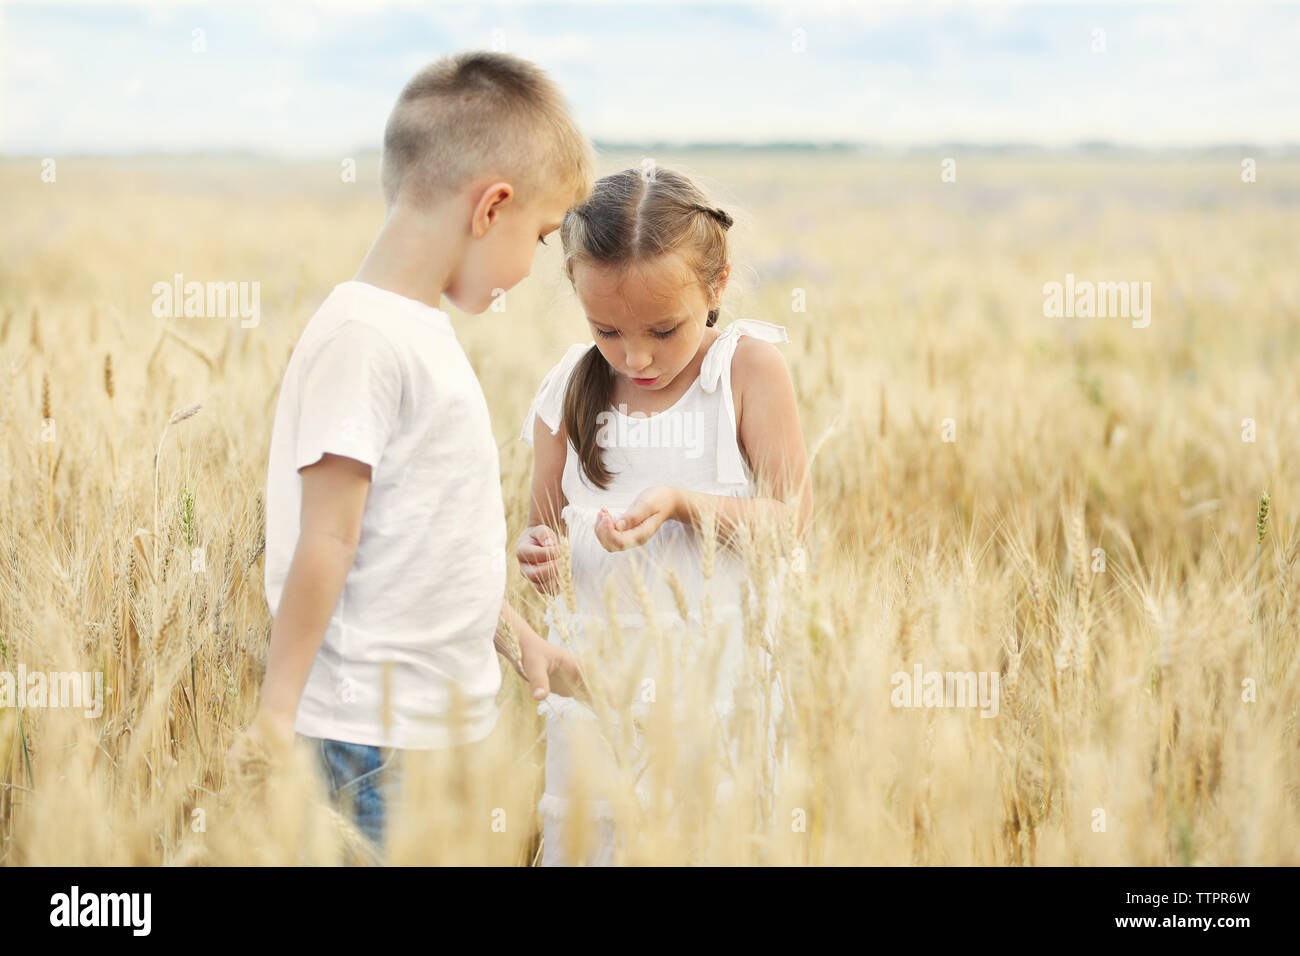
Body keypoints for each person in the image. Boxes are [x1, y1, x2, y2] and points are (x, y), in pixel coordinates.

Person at [227, 50, 595, 862]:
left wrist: (515, 638)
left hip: (426, 730)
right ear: (490, 206)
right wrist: (275, 717)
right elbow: (330, 539)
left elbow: (419, 542)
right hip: (370, 736)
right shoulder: (364, 337)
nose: (534, 266)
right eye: (538, 236)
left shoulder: (415, 330)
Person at [516, 167, 812, 865]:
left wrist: (685, 506)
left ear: (717, 287)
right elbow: (543, 533)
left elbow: (792, 520)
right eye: (607, 329)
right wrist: (538, 556)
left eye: (663, 329)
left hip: (720, 692)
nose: (636, 355)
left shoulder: (745, 371)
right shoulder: (568, 386)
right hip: (598, 697)